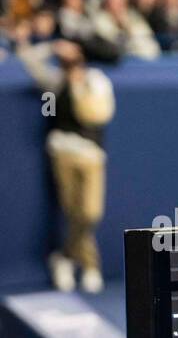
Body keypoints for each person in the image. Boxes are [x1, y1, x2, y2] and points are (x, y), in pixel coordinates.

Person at [16, 34, 115, 294]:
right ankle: (89, 266)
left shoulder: (96, 81)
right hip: (63, 152)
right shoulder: (54, 83)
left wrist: (80, 88)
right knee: (72, 211)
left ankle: (67, 257)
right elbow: (28, 59)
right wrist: (51, 46)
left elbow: (98, 114)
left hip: (91, 154)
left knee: (90, 213)